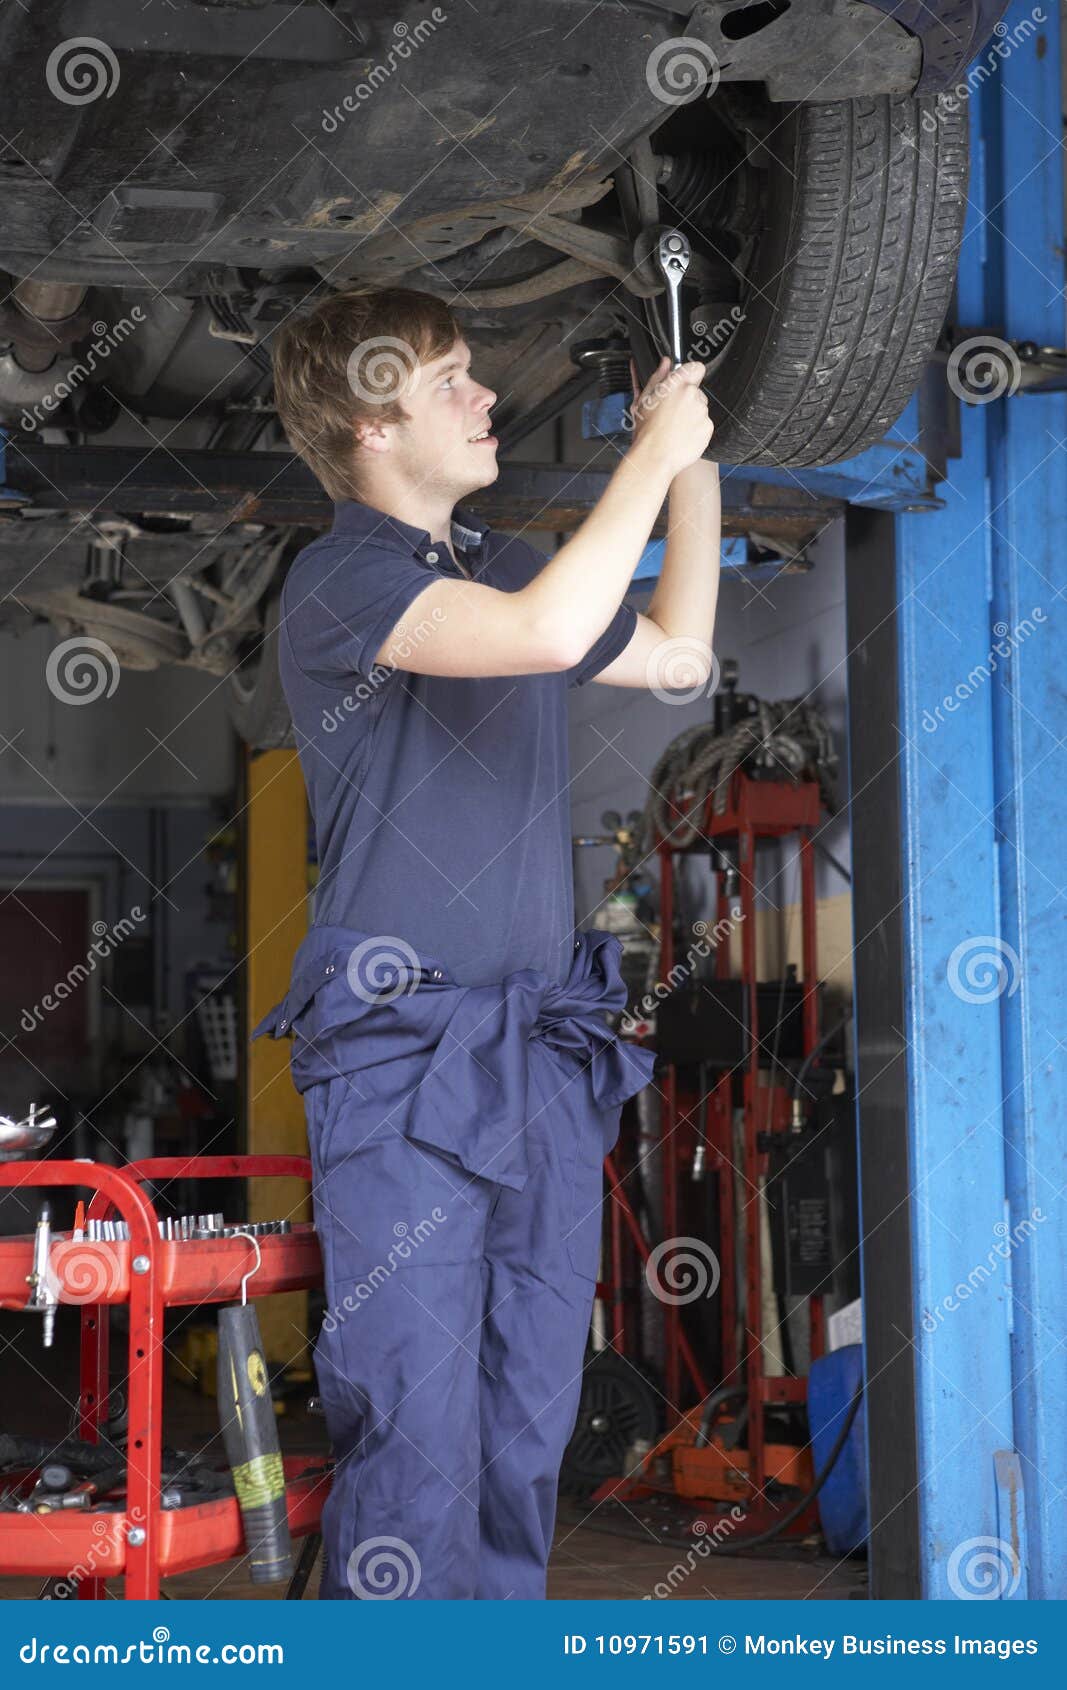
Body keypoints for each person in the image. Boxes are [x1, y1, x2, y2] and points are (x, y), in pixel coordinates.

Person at [253, 285, 720, 1599]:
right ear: (369, 424)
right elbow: (552, 635)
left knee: (527, 1423)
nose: (486, 395)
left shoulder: (507, 564)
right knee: (416, 1431)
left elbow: (680, 658)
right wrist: (647, 454)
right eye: (450, 378)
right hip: (401, 1060)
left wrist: (695, 463)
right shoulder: (343, 583)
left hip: (536, 1054)